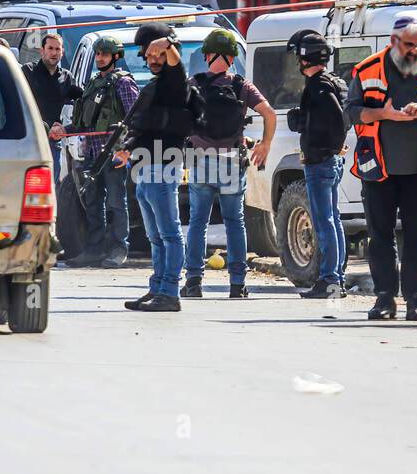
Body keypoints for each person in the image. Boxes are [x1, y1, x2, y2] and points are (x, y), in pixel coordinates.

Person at [346, 18, 417, 321]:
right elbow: (352, 112)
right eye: (409, 44)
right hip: (378, 169)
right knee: (380, 236)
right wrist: (383, 113)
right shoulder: (367, 69)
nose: (414, 50)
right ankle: (385, 299)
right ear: (393, 41)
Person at [182, 29, 276, 299]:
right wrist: (265, 145)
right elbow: (269, 114)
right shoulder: (242, 86)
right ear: (233, 58)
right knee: (235, 222)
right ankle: (237, 284)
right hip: (232, 162)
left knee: (198, 222)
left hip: (200, 162)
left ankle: (193, 282)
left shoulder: (193, 84)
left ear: (207, 55)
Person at [118, 24, 202, 313]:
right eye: (149, 55)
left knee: (169, 234)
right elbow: (145, 127)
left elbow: (176, 65)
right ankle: (157, 288)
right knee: (155, 237)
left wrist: (166, 43)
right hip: (144, 167)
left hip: (163, 167)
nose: (153, 59)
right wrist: (127, 148)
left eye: (158, 55)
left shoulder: (174, 82)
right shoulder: (154, 87)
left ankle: (170, 293)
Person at [59, 36, 139, 268]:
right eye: (98, 53)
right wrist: (63, 130)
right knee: (93, 203)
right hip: (91, 154)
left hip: (113, 156)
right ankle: (94, 250)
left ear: (115, 57)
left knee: (116, 204)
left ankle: (118, 249)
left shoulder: (124, 84)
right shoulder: (94, 83)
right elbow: (83, 123)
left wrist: (125, 149)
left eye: (104, 54)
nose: (99, 58)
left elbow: (135, 120)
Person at [285, 30, 350, 299]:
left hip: (320, 163)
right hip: (331, 161)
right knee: (332, 219)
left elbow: (336, 118)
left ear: (304, 58)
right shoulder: (334, 82)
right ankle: (337, 279)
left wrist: (327, 147)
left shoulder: (318, 86)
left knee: (324, 223)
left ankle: (330, 280)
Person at [21, 31, 82, 173]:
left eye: (57, 49)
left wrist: (67, 128)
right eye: (50, 48)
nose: (54, 53)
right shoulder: (28, 71)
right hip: (29, 140)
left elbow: (84, 101)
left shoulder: (66, 77)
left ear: (62, 52)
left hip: (52, 141)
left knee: (52, 182)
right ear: (42, 51)